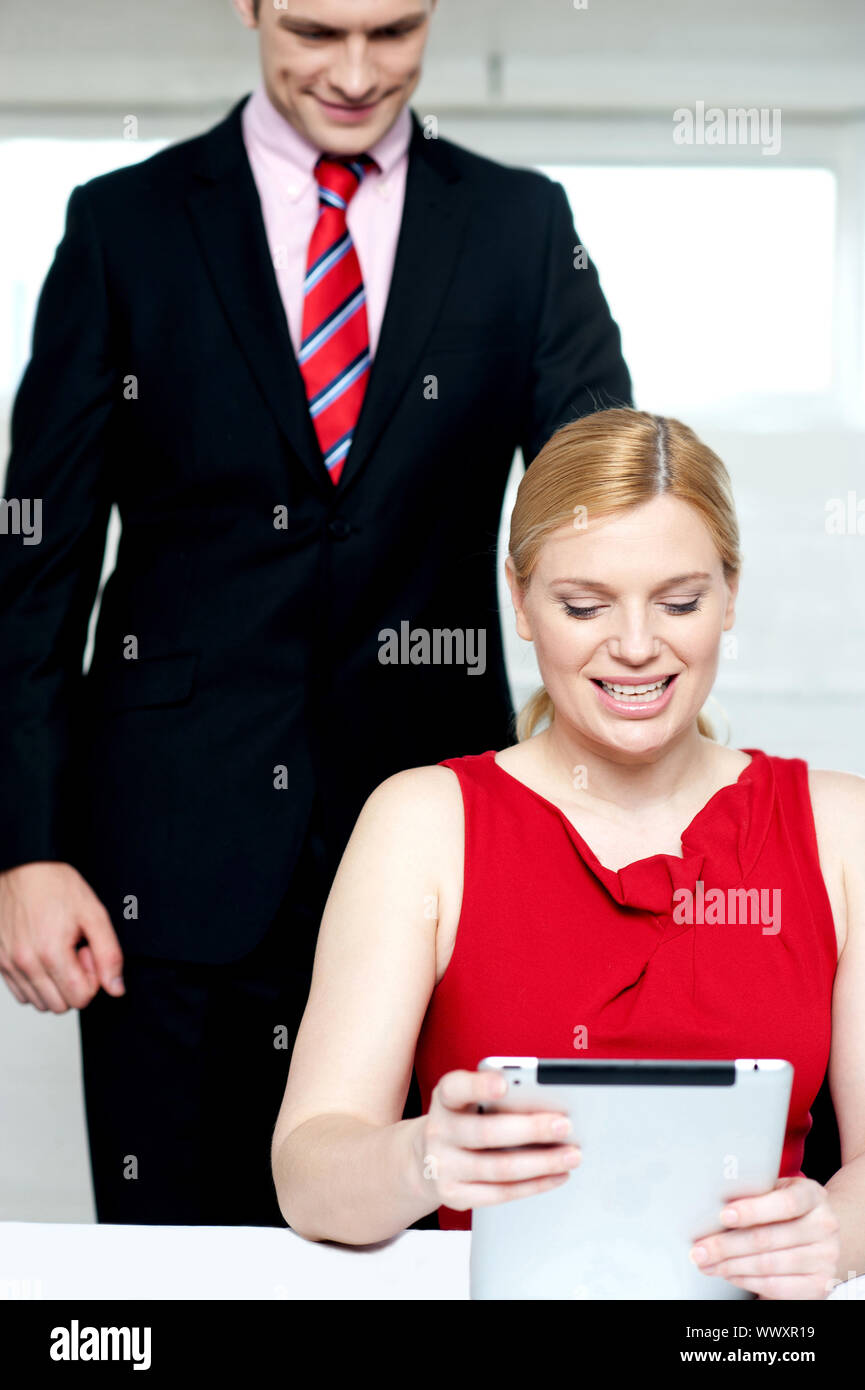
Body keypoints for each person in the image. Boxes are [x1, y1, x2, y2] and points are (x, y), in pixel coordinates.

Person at [0, 0, 630, 1226]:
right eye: (312, 29)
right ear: (247, 7)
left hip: (438, 841)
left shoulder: (517, 223)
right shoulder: (124, 225)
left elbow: (596, 510)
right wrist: (24, 846)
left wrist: (605, 804)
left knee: (425, 1249)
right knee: (180, 1255)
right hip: (167, 852)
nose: (352, 72)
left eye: (391, 33)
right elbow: (36, 561)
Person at [271, 407, 865, 1300]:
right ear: (518, 601)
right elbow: (309, 1170)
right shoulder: (424, 821)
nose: (633, 646)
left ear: (730, 595)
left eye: (680, 601)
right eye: (583, 605)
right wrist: (420, 1158)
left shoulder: (837, 827)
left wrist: (835, 1232)